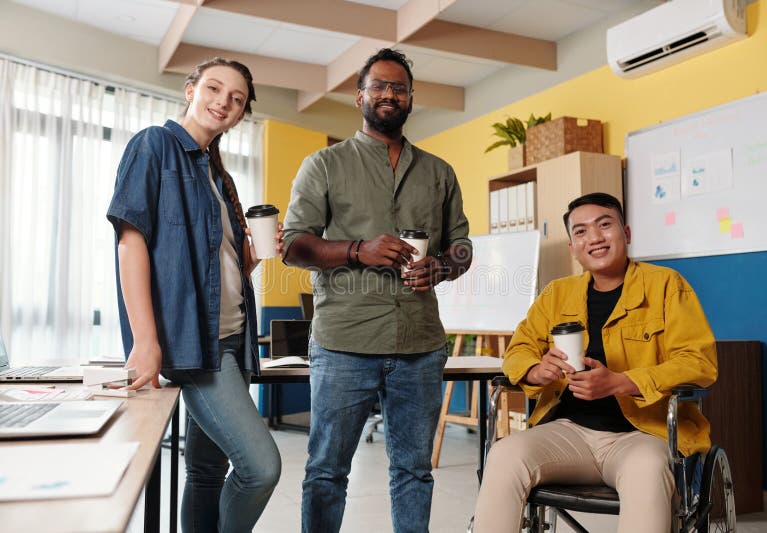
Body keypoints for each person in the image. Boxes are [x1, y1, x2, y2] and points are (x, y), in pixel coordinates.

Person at [280, 48, 473, 533]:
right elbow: (293, 245)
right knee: (326, 472)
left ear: (410, 98)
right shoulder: (324, 164)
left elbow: (464, 248)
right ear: (360, 95)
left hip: (420, 344)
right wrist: (357, 250)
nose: (390, 93)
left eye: (399, 87)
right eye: (380, 86)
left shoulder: (439, 172)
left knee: (413, 471)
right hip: (345, 342)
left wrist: (441, 268)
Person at [473, 192, 718, 533]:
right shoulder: (556, 294)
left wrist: (622, 382)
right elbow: (519, 348)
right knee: (504, 455)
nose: (595, 238)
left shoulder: (667, 286)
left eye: (605, 225)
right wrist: (534, 368)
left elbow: (699, 362)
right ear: (573, 247)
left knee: (647, 470)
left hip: (643, 434)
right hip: (568, 433)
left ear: (626, 233)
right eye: (581, 231)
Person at [107, 58, 281, 533]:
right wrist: (145, 340)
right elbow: (131, 240)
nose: (223, 101)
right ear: (190, 90)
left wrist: (253, 258)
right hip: (199, 347)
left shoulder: (219, 178)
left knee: (206, 471)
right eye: (214, 88)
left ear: (242, 114)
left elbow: (217, 267)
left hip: (233, 337)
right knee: (262, 467)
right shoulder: (154, 146)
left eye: (237, 99)